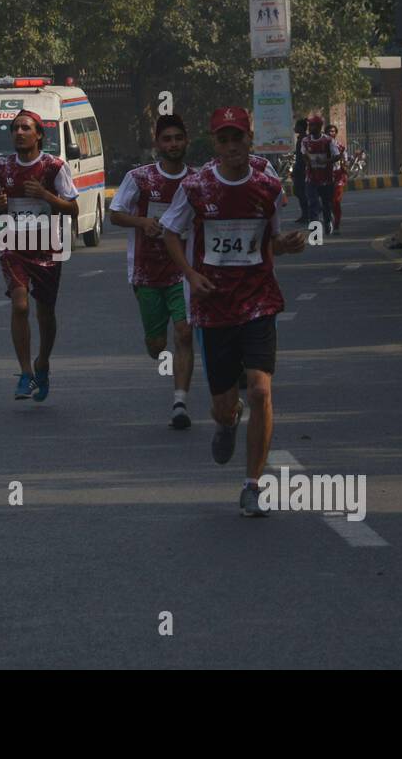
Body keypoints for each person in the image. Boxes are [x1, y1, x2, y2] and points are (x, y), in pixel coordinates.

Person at [160, 106, 307, 517]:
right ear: (215, 145)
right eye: (222, 140)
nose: (231, 147)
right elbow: (171, 233)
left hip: (258, 298)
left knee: (260, 389)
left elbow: (271, 241)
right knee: (224, 405)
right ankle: (226, 423)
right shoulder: (197, 188)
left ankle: (252, 485)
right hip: (214, 306)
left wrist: (288, 245)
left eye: (237, 138)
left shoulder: (268, 187)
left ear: (248, 140)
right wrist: (190, 275)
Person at [108, 115, 198, 429]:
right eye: (167, 139)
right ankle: (159, 351)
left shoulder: (198, 180)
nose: (173, 144)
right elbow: (115, 215)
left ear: (186, 141)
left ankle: (180, 403)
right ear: (158, 143)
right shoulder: (141, 178)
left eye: (178, 138)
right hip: (147, 272)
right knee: (157, 346)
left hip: (183, 271)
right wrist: (143, 222)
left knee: (184, 333)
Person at [0, 110, 79, 401]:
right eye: (15, 129)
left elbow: (73, 209)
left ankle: (43, 363)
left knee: (45, 312)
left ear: (39, 135)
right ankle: (25, 373)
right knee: (20, 305)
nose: (19, 133)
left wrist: (46, 196)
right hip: (13, 245)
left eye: (25, 128)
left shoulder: (53, 167)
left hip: (47, 246)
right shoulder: (1, 168)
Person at [299, 115, 340, 234]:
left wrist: (325, 161)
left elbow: (337, 156)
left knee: (327, 204)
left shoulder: (328, 140)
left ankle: (328, 222)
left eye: (313, 125)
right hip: (311, 178)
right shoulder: (305, 141)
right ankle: (315, 232)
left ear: (319, 126)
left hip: (326, 179)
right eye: (309, 125)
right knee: (313, 204)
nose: (310, 127)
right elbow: (303, 154)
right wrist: (308, 163)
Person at [326, 123, 347, 234]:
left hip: (338, 176)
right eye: (329, 131)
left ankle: (336, 223)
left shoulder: (340, 146)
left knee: (336, 201)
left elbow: (345, 159)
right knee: (327, 201)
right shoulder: (321, 145)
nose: (331, 133)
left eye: (333, 131)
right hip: (326, 175)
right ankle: (328, 221)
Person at [291, 118, 309, 224]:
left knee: (300, 192)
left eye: (296, 126)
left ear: (301, 128)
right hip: (299, 168)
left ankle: (307, 214)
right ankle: (305, 214)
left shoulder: (304, 140)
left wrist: (299, 169)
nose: (295, 128)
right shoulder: (301, 139)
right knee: (299, 192)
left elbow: (303, 157)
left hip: (302, 170)